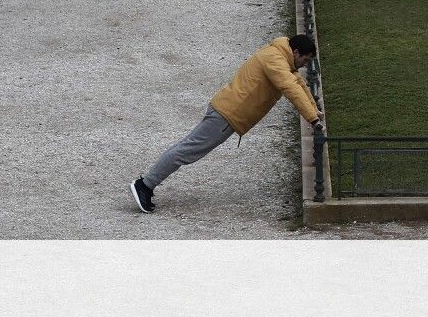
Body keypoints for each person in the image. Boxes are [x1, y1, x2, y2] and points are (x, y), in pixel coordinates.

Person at [131, 34, 323, 213]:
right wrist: (312, 119)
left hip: (226, 111)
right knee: (187, 150)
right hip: (227, 114)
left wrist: (314, 112)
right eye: (305, 60)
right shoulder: (275, 60)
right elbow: (290, 87)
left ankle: (147, 184)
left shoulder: (281, 57)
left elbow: (298, 84)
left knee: (188, 148)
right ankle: (145, 185)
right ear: (296, 52)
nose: (304, 65)